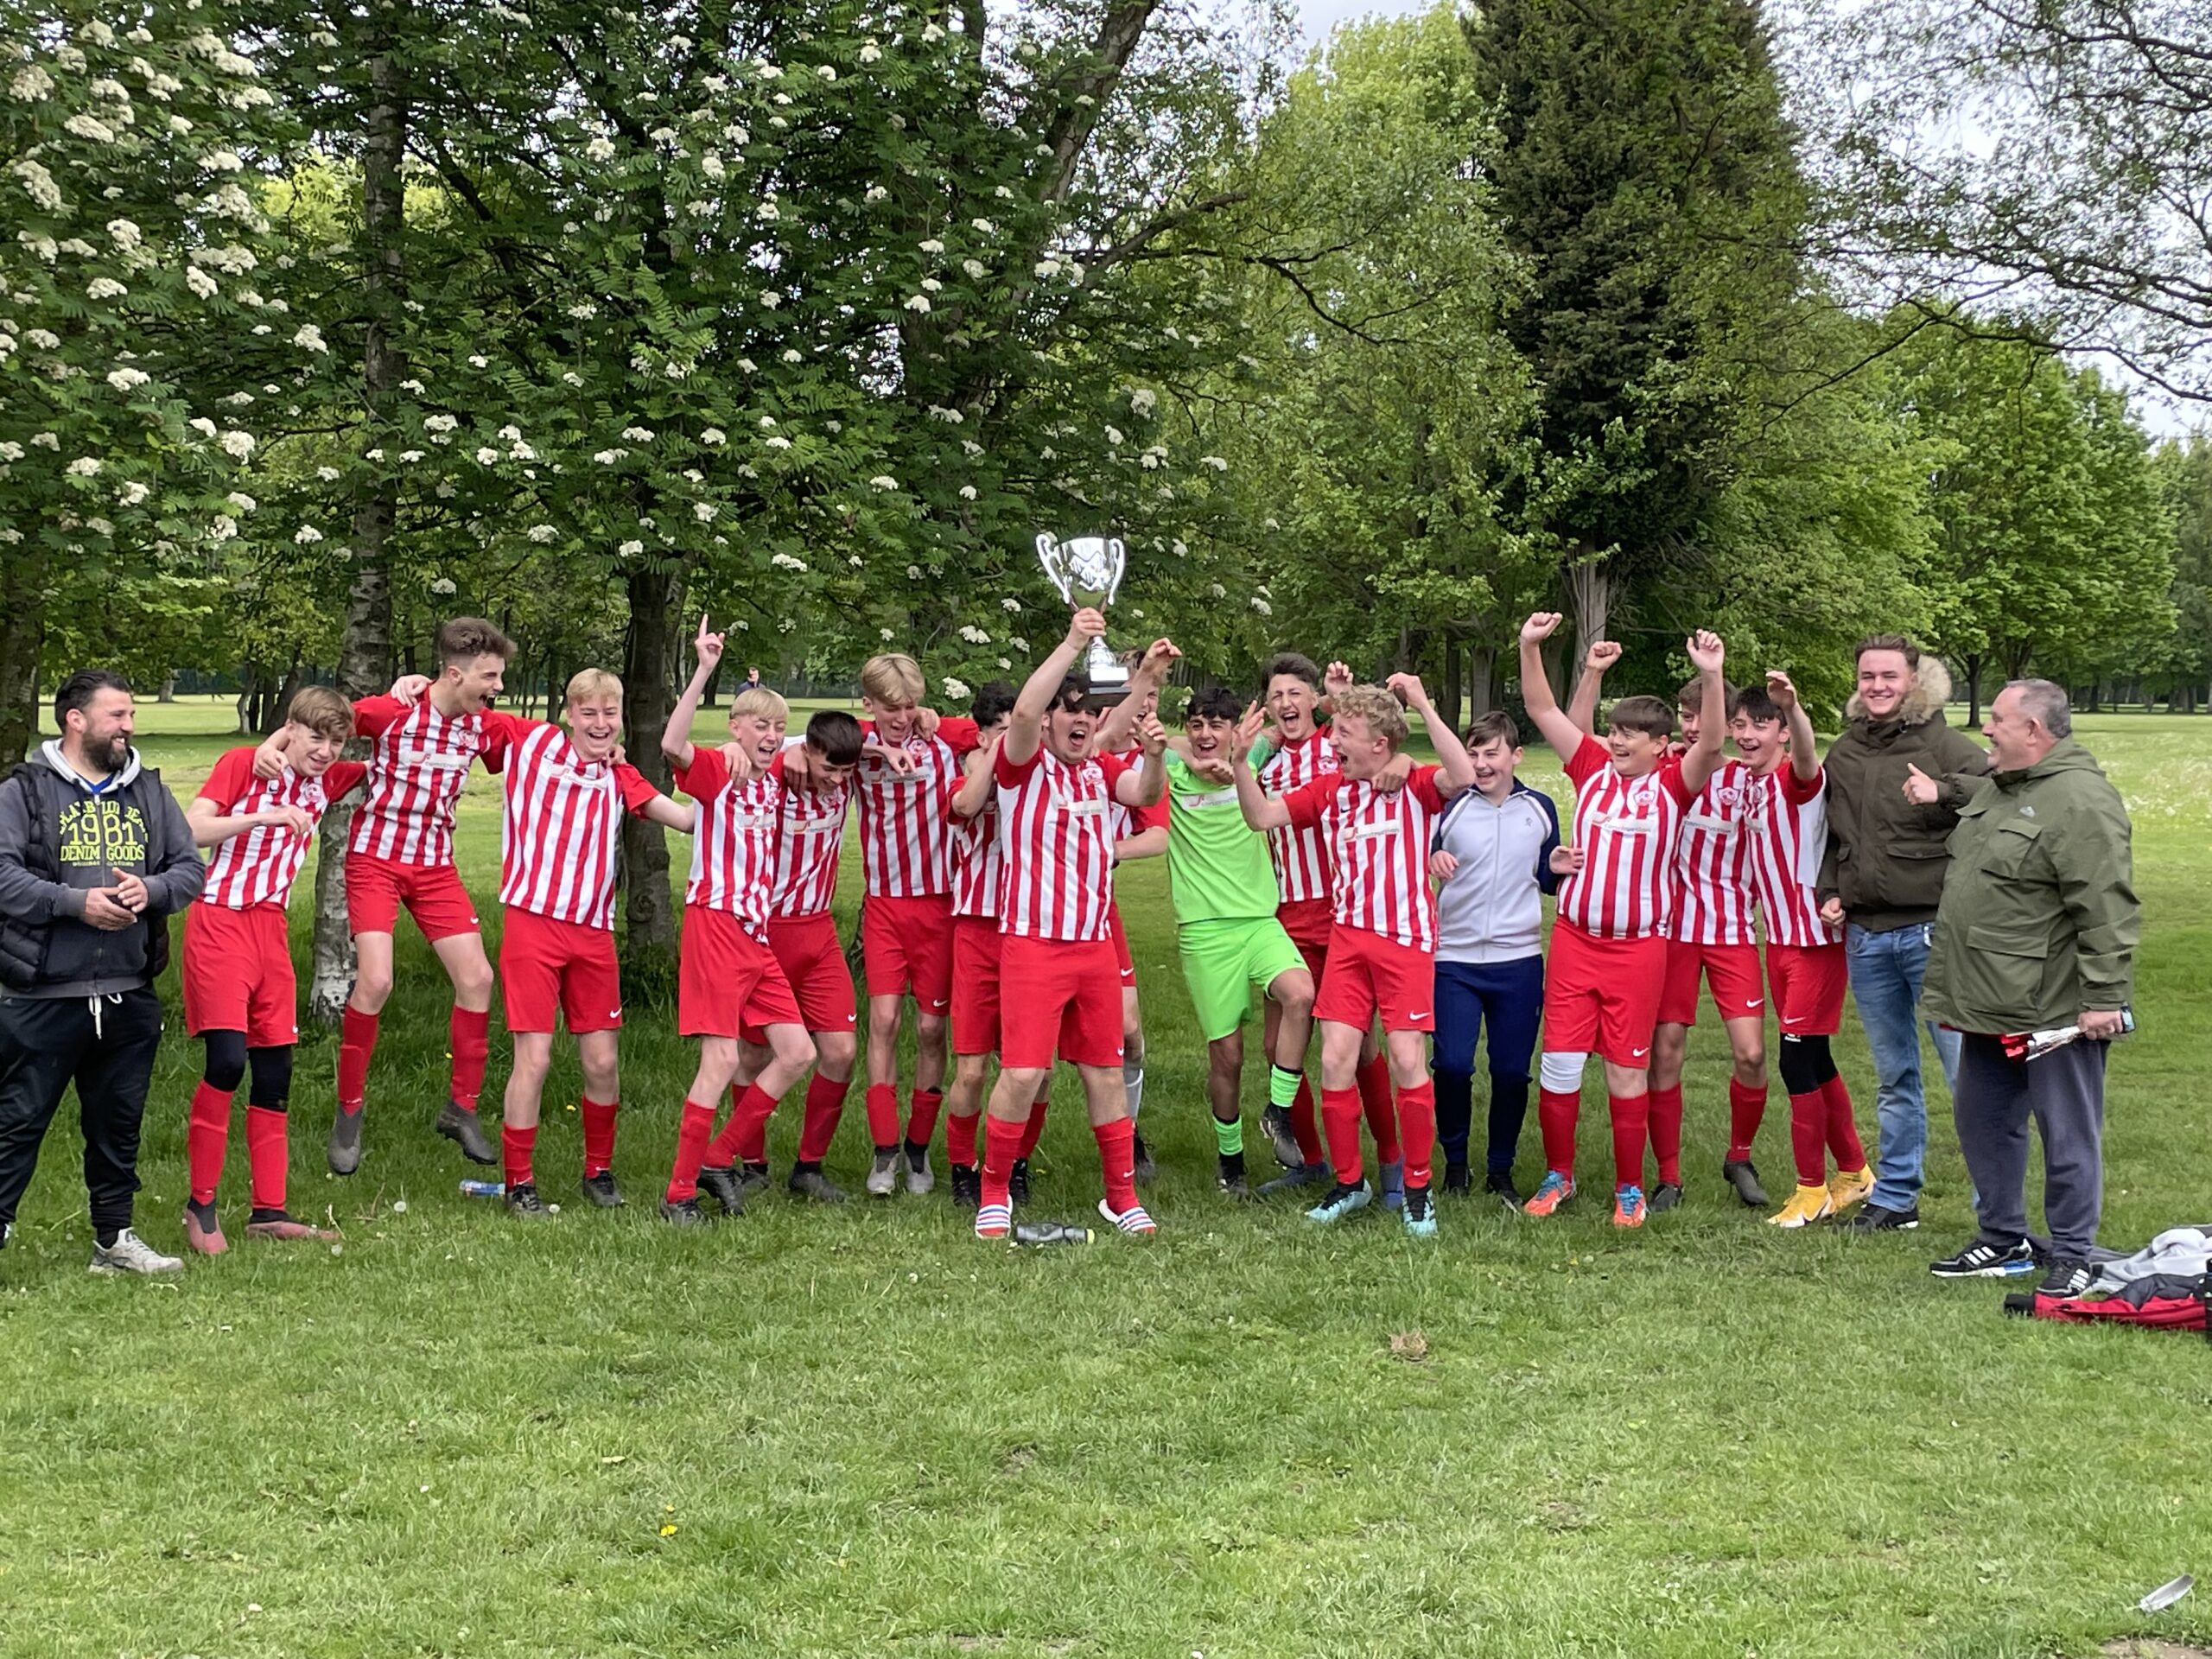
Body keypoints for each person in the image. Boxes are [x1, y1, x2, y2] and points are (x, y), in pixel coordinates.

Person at [260, 618, 518, 1176]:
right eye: (490, 677)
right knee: (375, 981)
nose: (497, 687)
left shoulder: (483, 725)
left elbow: (541, 744)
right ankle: (349, 1111)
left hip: (435, 868)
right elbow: (319, 720)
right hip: (375, 860)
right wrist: (272, 745)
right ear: (455, 672)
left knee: (477, 979)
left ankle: (461, 1108)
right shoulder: (394, 711)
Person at [1232, 676, 1476, 1237]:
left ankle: (1417, 1189)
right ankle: (1350, 1182)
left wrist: (1421, 703)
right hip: (1348, 942)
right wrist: (1242, 765)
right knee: (1337, 1059)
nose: (1333, 740)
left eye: (1344, 732)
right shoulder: (1330, 790)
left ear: (1379, 744)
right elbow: (1262, 818)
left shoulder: (1412, 783)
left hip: (1403, 944)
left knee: (1407, 1061)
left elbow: (1463, 775)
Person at [1921, 681, 2136, 1297]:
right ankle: (2003, 1237)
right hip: (1988, 998)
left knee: (2066, 1132)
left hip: (2055, 1006)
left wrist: (2103, 997)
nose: (1987, 729)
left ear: (2034, 732)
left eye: (1997, 720)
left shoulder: (2081, 802)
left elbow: (2106, 909)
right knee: (1983, 1119)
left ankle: (2073, 1254)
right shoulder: (2000, 790)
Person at [1515, 613, 1728, 1227]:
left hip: (1639, 950)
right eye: (1614, 730)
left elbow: (1712, 744)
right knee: (1558, 1064)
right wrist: (1532, 646)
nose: (1616, 741)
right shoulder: (1588, 769)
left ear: (1661, 745)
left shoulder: (1672, 784)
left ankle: (1630, 1187)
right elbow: (1541, 706)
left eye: (1631, 734)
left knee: (1626, 1070)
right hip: (1576, 943)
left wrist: (1711, 678)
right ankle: (1559, 1174)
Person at [0, 669, 205, 1274]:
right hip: (42, 993)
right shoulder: (24, 792)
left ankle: (113, 1241)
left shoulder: (147, 789)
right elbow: (4, 876)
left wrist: (153, 890)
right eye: (118, 715)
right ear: (76, 719)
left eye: (131, 715)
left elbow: (189, 867)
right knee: (15, 1123)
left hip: (128, 994)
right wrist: (75, 902)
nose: (129, 727)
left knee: (119, 1128)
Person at [975, 608, 1169, 1240]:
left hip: (1092, 947)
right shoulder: (1022, 764)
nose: (1081, 720)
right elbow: (1025, 714)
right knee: (1025, 1073)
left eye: (1088, 712)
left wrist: (1155, 741)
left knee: (1104, 1072)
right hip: (1032, 943)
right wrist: (1072, 641)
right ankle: (995, 1193)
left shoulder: (1100, 769)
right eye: (1070, 711)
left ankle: (1120, 1196)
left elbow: (1143, 796)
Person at [479, 670, 695, 1218]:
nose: (600, 725)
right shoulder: (529, 741)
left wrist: (742, 771)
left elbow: (687, 820)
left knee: (601, 1063)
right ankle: (519, 1182)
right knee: (536, 1057)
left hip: (593, 933)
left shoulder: (620, 773)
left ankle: (598, 1170)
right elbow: (455, 710)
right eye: (590, 713)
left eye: (610, 714)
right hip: (533, 925)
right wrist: (412, 684)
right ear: (570, 714)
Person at [1568, 650, 1769, 1210]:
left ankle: (1740, 1154)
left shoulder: (1742, 781)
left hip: (1729, 930)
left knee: (1751, 1054)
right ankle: (1668, 1176)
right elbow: (1582, 739)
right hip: (1672, 931)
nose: (1687, 726)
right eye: (1681, 716)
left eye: (1697, 715)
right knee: (1666, 1052)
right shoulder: (1655, 772)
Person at [180, 686, 365, 1252]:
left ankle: (269, 1212)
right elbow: (192, 830)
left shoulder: (327, 779)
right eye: (316, 735)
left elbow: (386, 723)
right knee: (228, 1061)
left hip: (271, 932)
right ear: (292, 727)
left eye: (336, 740)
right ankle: (200, 1206)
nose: (327, 749)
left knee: (276, 1075)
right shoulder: (244, 764)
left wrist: (291, 738)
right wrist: (261, 813)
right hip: (220, 921)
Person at [1817, 635, 1989, 1232]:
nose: (1878, 686)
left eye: (1890, 676)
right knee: (1894, 1075)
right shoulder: (1843, 753)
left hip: (1931, 932)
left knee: (1966, 1071)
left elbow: (2001, 793)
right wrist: (1830, 892)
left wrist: (1942, 791)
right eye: (1868, 677)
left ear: (1914, 680)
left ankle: (1994, 1208)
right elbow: (1836, 841)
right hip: (1866, 936)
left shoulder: (1945, 745)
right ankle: (1895, 1197)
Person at [658, 618, 818, 1224]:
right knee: (721, 1062)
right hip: (716, 922)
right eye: (759, 725)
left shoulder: (776, 774)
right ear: (735, 728)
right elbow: (674, 747)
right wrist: (703, 668)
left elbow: (816, 740)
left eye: (778, 727)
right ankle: (677, 1193)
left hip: (757, 932)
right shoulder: (720, 774)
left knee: (798, 1052)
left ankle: (720, 1157)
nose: (771, 735)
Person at [1144, 683, 1317, 1197]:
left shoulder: (1253, 757)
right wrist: (1191, 761)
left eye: (1215, 725)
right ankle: (1231, 1160)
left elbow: (1301, 718)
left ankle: (1278, 1112)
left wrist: (1240, 747)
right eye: (1196, 724)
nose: (1204, 734)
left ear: (1231, 730)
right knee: (1228, 1057)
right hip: (1204, 932)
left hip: (1260, 921)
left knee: (1301, 994)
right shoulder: (1172, 769)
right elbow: (1140, 740)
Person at [1254, 653, 1398, 1194]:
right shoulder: (1265, 762)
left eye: (1296, 693)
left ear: (1314, 700)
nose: (1287, 703)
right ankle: (1309, 1159)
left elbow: (1375, 742)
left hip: (1339, 913)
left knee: (1358, 1047)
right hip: (1281, 915)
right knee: (1277, 1046)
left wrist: (1346, 694)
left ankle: (1390, 1161)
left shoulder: (1334, 751)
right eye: (1276, 695)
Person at [1733, 676, 1873, 1227]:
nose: (1747, 735)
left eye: (1760, 725)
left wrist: (1793, 711)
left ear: (1782, 735)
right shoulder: (1749, 784)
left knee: (1794, 1061)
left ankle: (1810, 1189)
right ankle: (1856, 1172)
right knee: (1816, 1059)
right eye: (1741, 725)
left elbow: (1811, 756)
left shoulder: (1798, 780)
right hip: (1780, 942)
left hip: (1814, 941)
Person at [718, 707, 864, 1204]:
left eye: (846, 772)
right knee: (756, 1053)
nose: (837, 781)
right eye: (829, 770)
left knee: (841, 1052)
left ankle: (809, 1166)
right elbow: (744, 752)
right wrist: (791, 750)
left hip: (818, 932)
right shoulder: (780, 775)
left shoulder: (846, 774)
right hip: (768, 931)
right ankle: (749, 1161)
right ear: (809, 755)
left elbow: (892, 737)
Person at [853, 654, 980, 1195]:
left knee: (931, 1029)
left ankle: (918, 1150)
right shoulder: (856, 749)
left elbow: (987, 731)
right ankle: (883, 1152)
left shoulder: (940, 740)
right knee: (883, 1021)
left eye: (909, 707)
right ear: (870, 706)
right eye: (891, 709)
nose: (901, 718)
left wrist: (935, 718)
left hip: (940, 907)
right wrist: (873, 743)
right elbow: (806, 742)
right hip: (885, 907)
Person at [1426, 711, 1559, 1205]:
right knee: (1455, 1065)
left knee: (1509, 1071)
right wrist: (1432, 859)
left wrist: (1558, 868)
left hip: (1518, 961)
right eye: (1473, 754)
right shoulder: (1451, 805)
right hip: (1454, 960)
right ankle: (1456, 1165)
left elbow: (1547, 877)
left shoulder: (1539, 807)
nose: (1481, 764)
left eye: (1491, 753)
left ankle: (1500, 1170)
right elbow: (1425, 854)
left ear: (1515, 756)